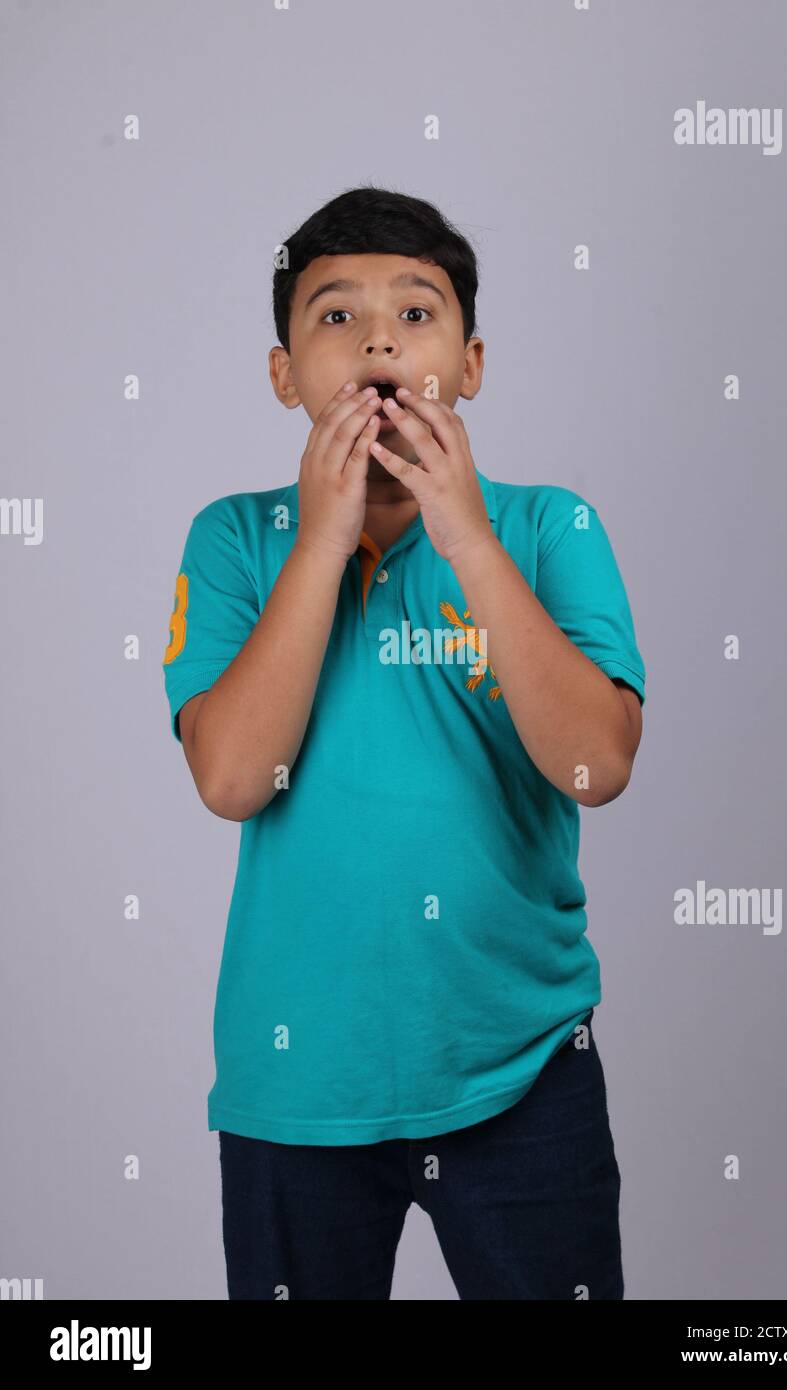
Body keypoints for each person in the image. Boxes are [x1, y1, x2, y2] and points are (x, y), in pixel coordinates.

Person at [162, 185, 646, 1300]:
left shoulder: (547, 527)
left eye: (414, 313)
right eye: (334, 315)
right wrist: (322, 537)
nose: (377, 337)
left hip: (522, 1066)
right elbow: (233, 777)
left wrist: (465, 534)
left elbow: (596, 765)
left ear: (469, 363)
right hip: (298, 1080)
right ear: (283, 374)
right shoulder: (235, 540)